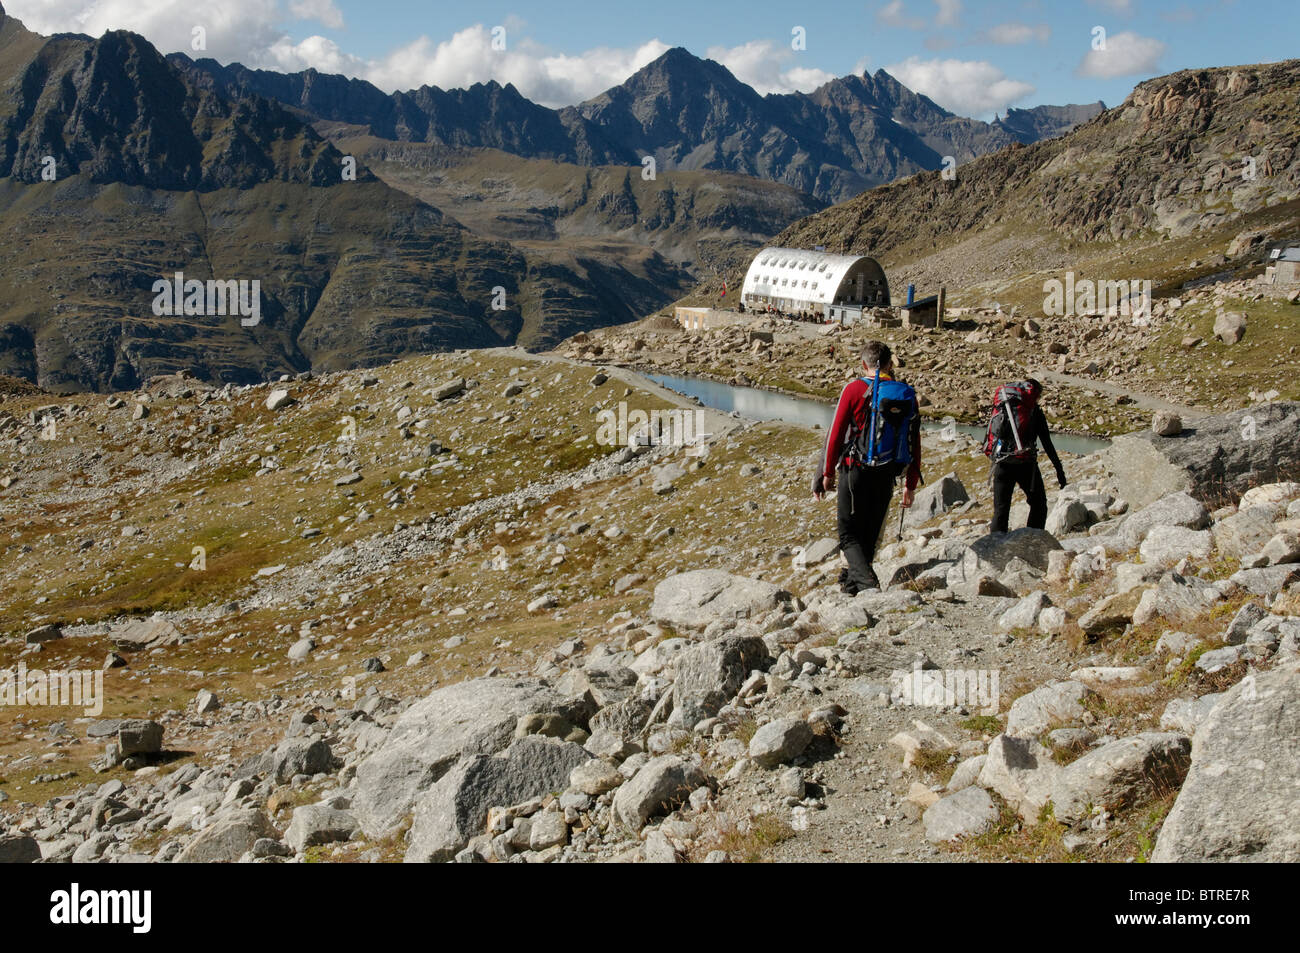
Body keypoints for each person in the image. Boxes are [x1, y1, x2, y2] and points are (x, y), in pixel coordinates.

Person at [813, 341, 922, 594]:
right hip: (888, 472)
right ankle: (852, 587)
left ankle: (869, 585)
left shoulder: (854, 389)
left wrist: (827, 473)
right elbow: (914, 441)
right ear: (889, 364)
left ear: (863, 364)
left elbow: (836, 435)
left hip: (855, 470)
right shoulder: (906, 394)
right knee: (870, 533)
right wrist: (910, 484)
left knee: (849, 534)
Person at [987, 378, 1066, 533]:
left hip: (1002, 462)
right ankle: (1032, 541)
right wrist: (1059, 471)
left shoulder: (1005, 406)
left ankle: (994, 548)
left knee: (1001, 511)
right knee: (1039, 504)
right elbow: (1047, 444)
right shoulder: (1034, 412)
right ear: (1035, 395)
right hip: (1026, 465)